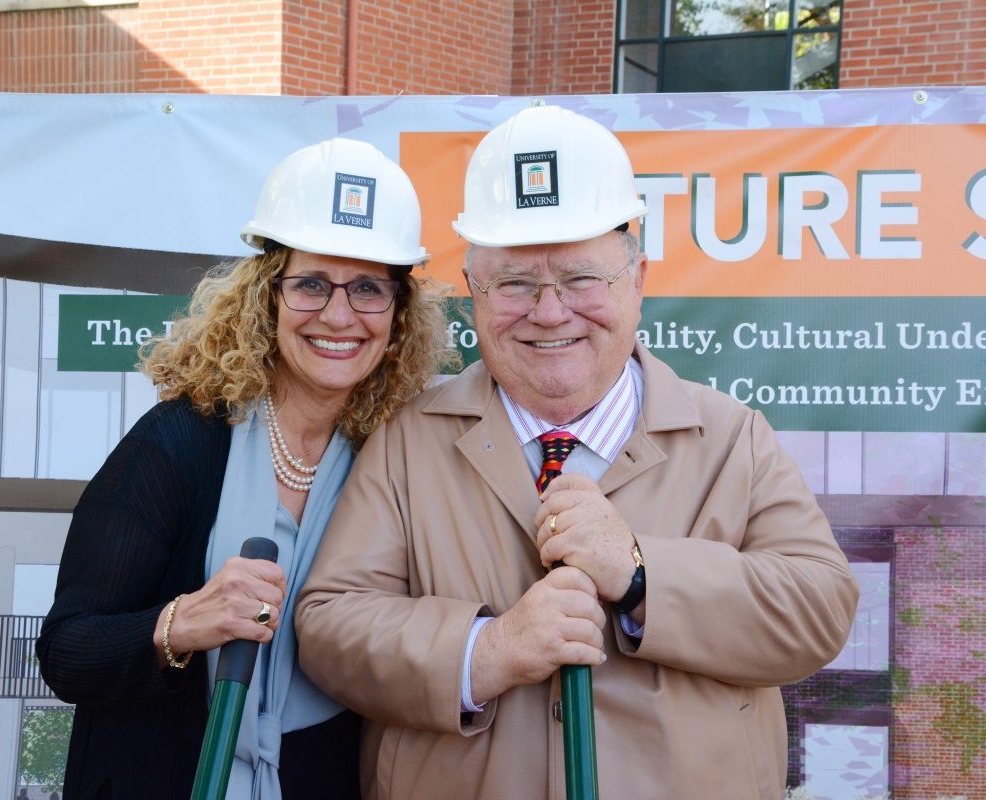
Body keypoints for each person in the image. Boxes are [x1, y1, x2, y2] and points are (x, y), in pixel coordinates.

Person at [296, 105, 860, 799]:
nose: (550, 311)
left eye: (581, 278)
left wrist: (642, 573)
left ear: (638, 280)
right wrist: (486, 651)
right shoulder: (410, 439)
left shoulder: (732, 436)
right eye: (515, 284)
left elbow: (819, 609)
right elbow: (330, 624)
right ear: (473, 291)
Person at [37, 138, 457, 800]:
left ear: (400, 315)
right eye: (312, 283)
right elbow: (67, 651)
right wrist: (181, 624)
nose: (339, 315)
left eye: (369, 288)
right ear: (268, 296)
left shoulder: (395, 457)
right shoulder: (179, 443)